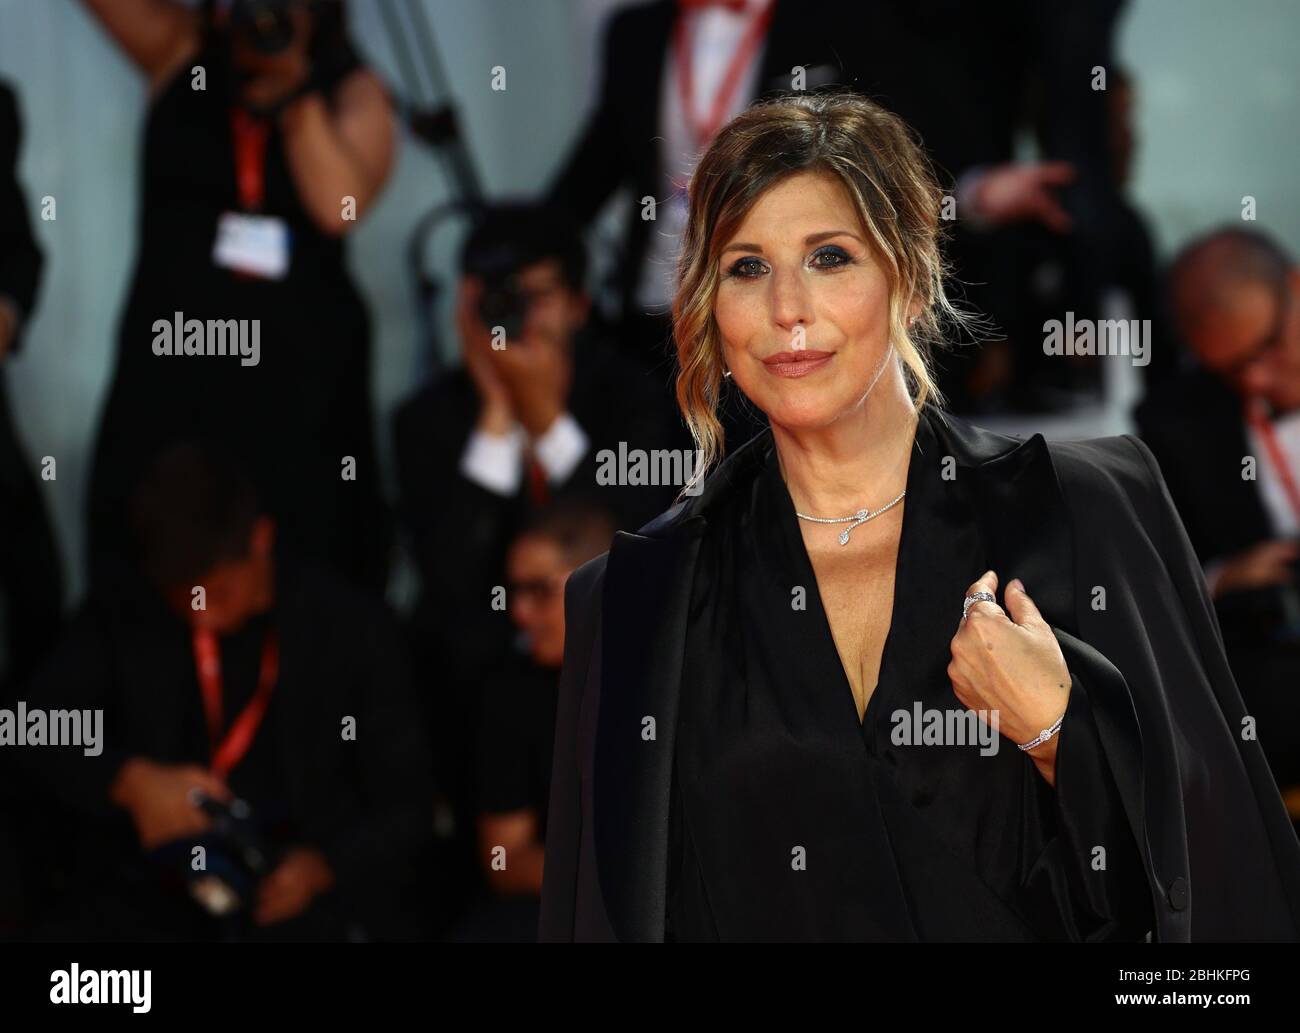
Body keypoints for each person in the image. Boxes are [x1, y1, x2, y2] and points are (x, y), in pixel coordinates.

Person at [539, 93, 1300, 942]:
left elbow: (1227, 883)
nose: (787, 308)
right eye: (745, 266)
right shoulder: (640, 602)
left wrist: (1061, 731)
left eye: (830, 257)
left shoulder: (1086, 510)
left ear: (909, 275)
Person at [15, 441, 433, 941]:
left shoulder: (351, 630)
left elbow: (409, 808)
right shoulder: (129, 613)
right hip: (155, 892)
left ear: (261, 540)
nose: (202, 615)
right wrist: (128, 780)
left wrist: (325, 867)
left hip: (301, 897)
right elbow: (26, 725)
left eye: (219, 593)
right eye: (185, 599)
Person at [393, 201, 677, 889]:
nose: (511, 311)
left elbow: (632, 545)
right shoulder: (427, 418)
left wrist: (547, 419)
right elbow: (448, 576)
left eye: (534, 295)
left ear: (579, 304)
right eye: (492, 293)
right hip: (488, 684)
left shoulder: (639, 398)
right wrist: (497, 416)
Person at [79, 0, 395, 595]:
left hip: (299, 385)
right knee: (154, 551)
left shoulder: (353, 90)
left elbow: (337, 205)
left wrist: (292, 88)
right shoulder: (181, 51)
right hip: (174, 367)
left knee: (305, 563)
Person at [1136, 228, 1300, 792]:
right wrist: (1224, 577)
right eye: (1231, 369)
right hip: (1268, 661)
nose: (1254, 380)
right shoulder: (1176, 421)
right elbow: (1147, 582)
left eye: (1267, 348)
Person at [454, 500, 614, 941]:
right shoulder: (510, 696)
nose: (518, 613)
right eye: (514, 591)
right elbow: (503, 859)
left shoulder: (675, 667)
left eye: (539, 591)